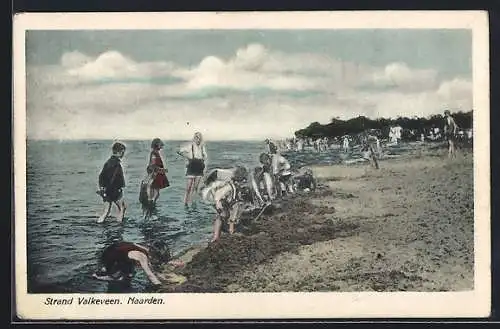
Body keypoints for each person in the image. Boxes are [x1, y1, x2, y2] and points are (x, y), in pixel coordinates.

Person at [199, 166, 249, 242]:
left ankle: (225, 231)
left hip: (221, 197)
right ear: (239, 180)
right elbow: (218, 195)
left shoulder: (235, 187)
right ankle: (216, 236)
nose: (243, 184)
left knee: (228, 213)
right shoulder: (229, 187)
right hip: (212, 196)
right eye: (242, 181)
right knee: (222, 215)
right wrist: (217, 203)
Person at [93, 241, 172, 286]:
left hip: (117, 251)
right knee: (119, 279)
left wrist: (159, 275)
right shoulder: (142, 257)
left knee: (130, 274)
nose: (158, 262)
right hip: (109, 256)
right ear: (153, 255)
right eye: (158, 259)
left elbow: (151, 267)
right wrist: (160, 285)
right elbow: (149, 274)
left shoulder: (148, 250)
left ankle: (108, 270)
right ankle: (98, 276)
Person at [97, 142, 127, 223]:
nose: (123, 154)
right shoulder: (116, 164)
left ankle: (99, 222)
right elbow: (117, 179)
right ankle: (120, 225)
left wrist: (102, 188)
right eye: (123, 152)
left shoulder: (108, 162)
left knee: (106, 211)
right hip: (114, 190)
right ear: (119, 152)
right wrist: (120, 188)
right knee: (122, 207)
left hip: (106, 190)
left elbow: (101, 176)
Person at [177, 132, 208, 207]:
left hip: (199, 167)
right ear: (194, 138)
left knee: (196, 187)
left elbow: (205, 156)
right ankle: (186, 203)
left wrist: (203, 159)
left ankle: (193, 202)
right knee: (188, 187)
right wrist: (188, 157)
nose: (198, 139)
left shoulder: (202, 146)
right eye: (197, 137)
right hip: (192, 166)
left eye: (199, 138)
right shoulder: (190, 146)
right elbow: (179, 151)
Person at [140, 138, 169, 215]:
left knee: (156, 192)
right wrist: (162, 170)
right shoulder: (154, 153)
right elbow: (153, 165)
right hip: (155, 174)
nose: (161, 145)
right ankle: (151, 204)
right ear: (157, 145)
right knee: (154, 192)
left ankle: (151, 205)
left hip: (157, 174)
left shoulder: (156, 153)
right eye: (160, 144)